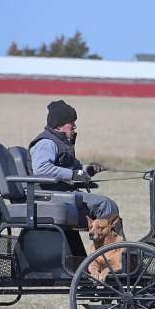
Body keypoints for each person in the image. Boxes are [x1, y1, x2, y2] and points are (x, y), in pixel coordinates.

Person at [29, 99, 124, 236]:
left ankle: (116, 245)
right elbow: (42, 169)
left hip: (61, 193)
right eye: (71, 123)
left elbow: (74, 169)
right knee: (105, 204)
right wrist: (72, 175)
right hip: (48, 196)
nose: (74, 126)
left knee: (109, 204)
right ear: (59, 125)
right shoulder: (46, 143)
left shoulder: (61, 143)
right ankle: (112, 247)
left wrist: (88, 170)